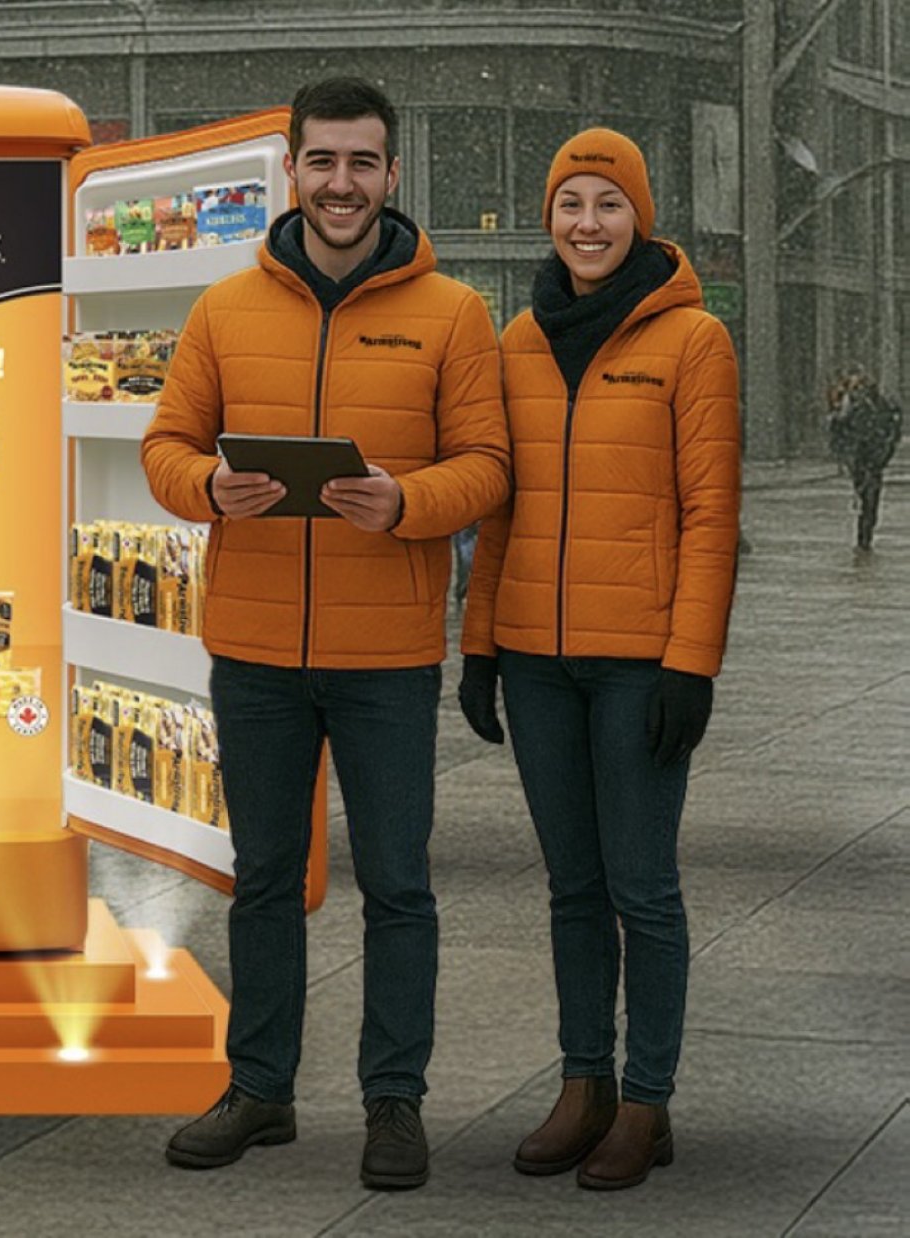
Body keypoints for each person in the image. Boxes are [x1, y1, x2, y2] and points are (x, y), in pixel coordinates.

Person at [142, 77, 510, 1190]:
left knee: (398, 882)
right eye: (321, 162)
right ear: (290, 173)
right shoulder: (222, 309)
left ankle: (392, 1101)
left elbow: (487, 467)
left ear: (390, 177)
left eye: (361, 163)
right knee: (261, 877)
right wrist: (209, 484)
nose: (339, 183)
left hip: (386, 659)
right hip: (253, 649)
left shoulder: (450, 314)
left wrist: (406, 502)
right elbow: (163, 447)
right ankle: (259, 1089)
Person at [457, 129, 740, 1191]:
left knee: (641, 885)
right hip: (534, 658)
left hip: (636, 662)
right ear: (548, 216)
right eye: (570, 202)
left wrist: (688, 662)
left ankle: (644, 1097)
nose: (587, 222)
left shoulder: (693, 340)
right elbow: (496, 505)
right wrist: (479, 645)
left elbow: (711, 511)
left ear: (640, 218)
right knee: (571, 884)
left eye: (607, 204)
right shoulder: (516, 341)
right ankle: (581, 1082)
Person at [826, 368, 902, 551]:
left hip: (871, 458)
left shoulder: (878, 406)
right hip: (864, 458)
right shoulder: (856, 407)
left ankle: (864, 537)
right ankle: (864, 537)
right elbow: (840, 430)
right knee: (867, 499)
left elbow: (891, 431)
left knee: (869, 499)